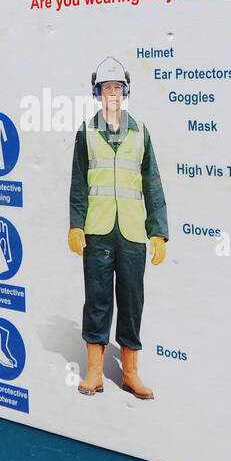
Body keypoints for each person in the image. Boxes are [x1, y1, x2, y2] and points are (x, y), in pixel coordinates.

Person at [68, 57, 168, 399]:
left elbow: (152, 183)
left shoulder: (141, 133)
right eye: (107, 88)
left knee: (131, 300)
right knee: (96, 300)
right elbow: (79, 183)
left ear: (125, 93)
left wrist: (158, 230)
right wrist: (75, 224)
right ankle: (94, 371)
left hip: (131, 233)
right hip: (96, 231)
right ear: (97, 92)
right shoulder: (87, 133)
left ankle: (131, 373)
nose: (113, 94)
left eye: (118, 88)